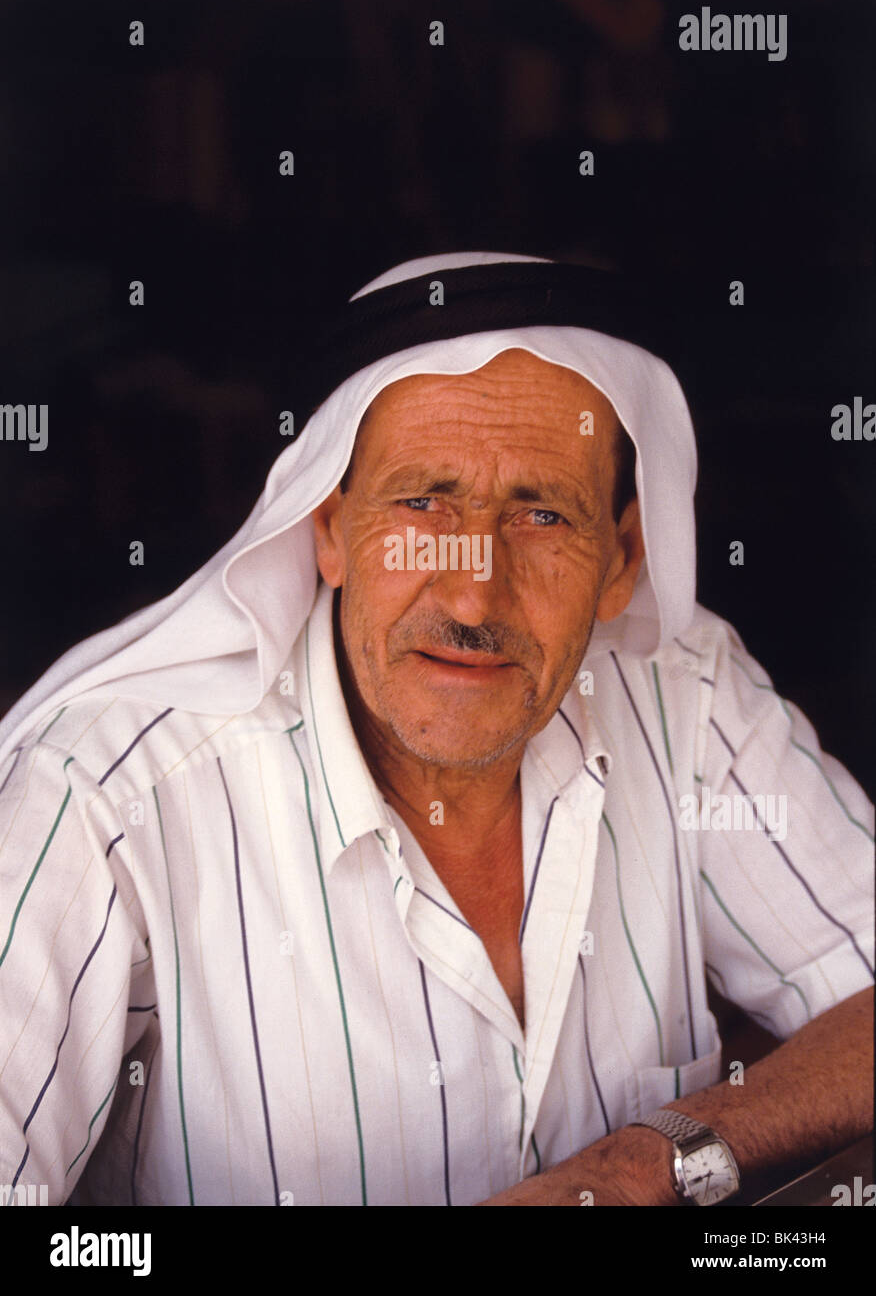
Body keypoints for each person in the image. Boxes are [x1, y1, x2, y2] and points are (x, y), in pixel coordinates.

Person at [0, 252, 871, 1208]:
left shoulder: (681, 691)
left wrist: (645, 1163)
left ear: (621, 562)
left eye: (541, 515)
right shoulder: (101, 801)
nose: (472, 590)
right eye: (424, 505)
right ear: (327, 529)